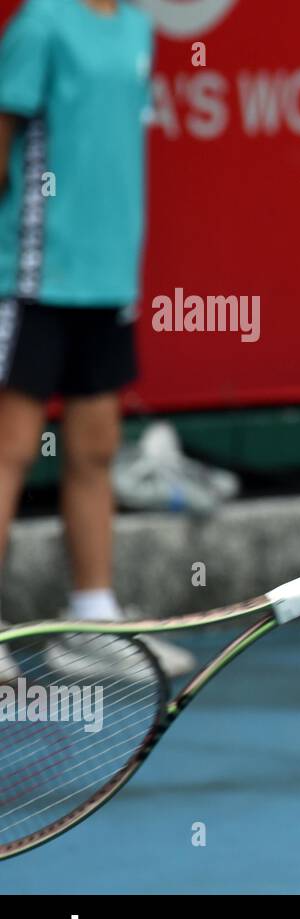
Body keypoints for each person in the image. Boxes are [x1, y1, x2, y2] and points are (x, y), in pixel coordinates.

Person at [0, 0, 193, 680]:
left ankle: (90, 619)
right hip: (32, 277)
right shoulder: (40, 25)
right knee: (10, 450)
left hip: (108, 281)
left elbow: (113, 151)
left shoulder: (137, 28)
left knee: (95, 450)